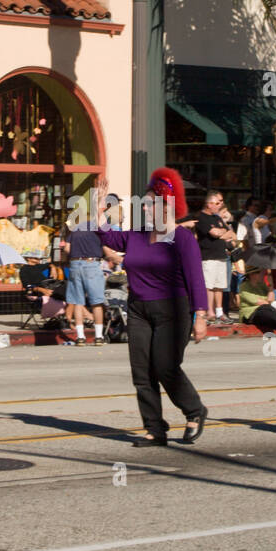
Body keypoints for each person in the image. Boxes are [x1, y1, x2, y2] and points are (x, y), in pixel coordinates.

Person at [97, 169, 209, 446]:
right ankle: (155, 429)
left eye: (150, 203)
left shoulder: (182, 238)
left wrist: (201, 317)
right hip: (138, 309)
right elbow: (107, 236)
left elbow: (196, 278)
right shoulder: (137, 234)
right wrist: (100, 206)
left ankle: (194, 410)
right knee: (142, 372)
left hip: (174, 309)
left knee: (165, 367)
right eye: (144, 203)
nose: (144, 207)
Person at [62, 208, 108, 346]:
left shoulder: (74, 232)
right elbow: (106, 249)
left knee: (77, 302)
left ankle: (80, 337)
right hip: (92, 264)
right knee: (96, 302)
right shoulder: (97, 231)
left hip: (75, 264)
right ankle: (99, 336)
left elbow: (67, 249)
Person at [194, 191, 235, 325]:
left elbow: (231, 234)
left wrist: (221, 232)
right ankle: (209, 312)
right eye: (217, 203)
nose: (220, 205)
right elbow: (213, 233)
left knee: (220, 286)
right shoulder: (202, 217)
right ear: (209, 204)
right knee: (209, 285)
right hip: (208, 256)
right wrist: (221, 233)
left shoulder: (217, 218)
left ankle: (219, 312)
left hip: (221, 256)